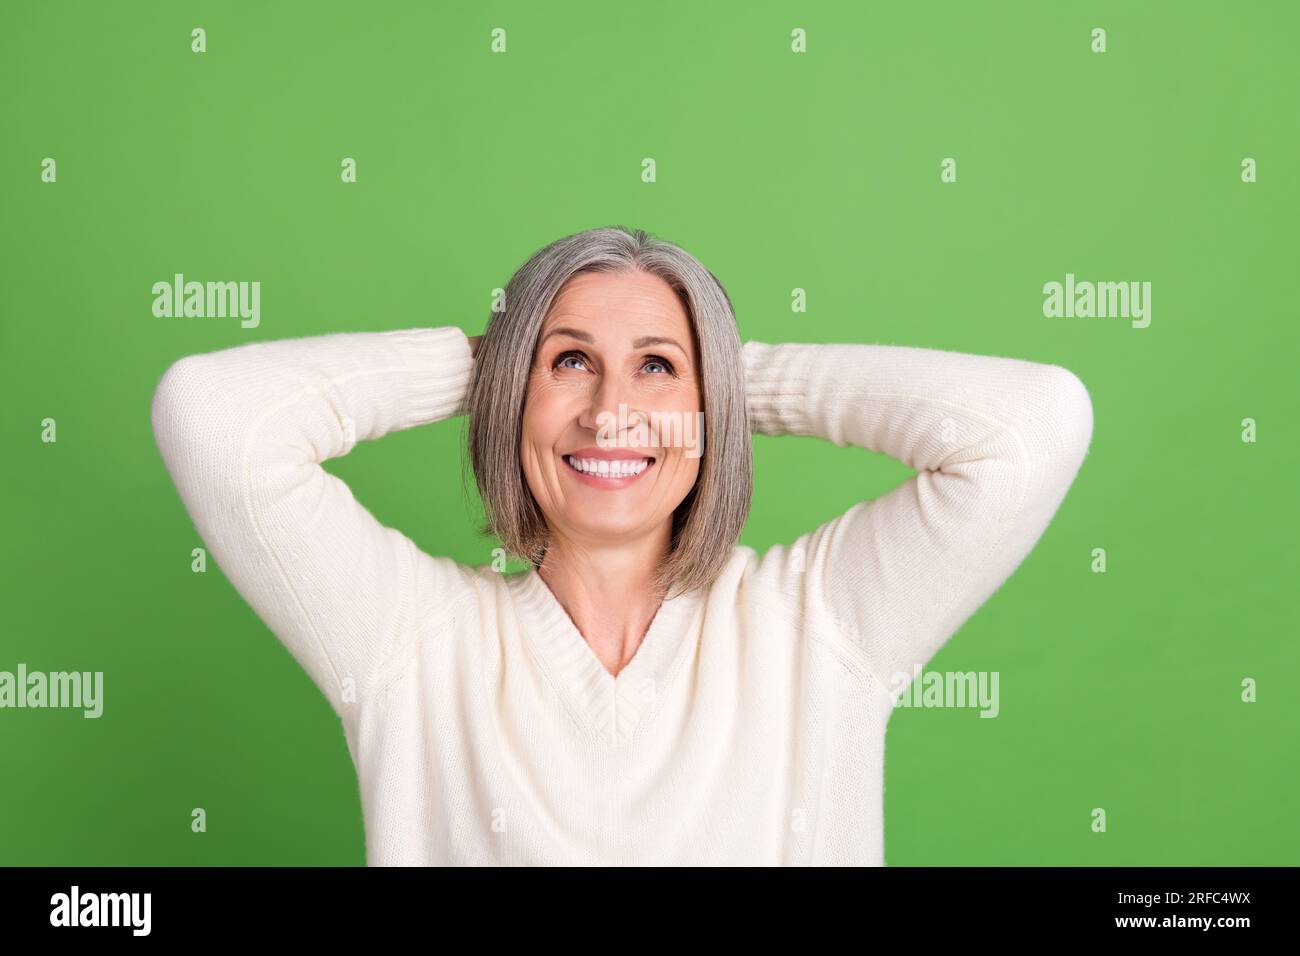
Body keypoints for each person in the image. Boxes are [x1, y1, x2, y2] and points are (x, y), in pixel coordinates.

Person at [150, 225, 1094, 865]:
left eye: (656, 365)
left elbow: (1032, 427)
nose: (611, 414)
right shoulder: (409, 643)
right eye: (567, 362)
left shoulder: (819, 622)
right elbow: (213, 419)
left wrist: (726, 386)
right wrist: (487, 364)